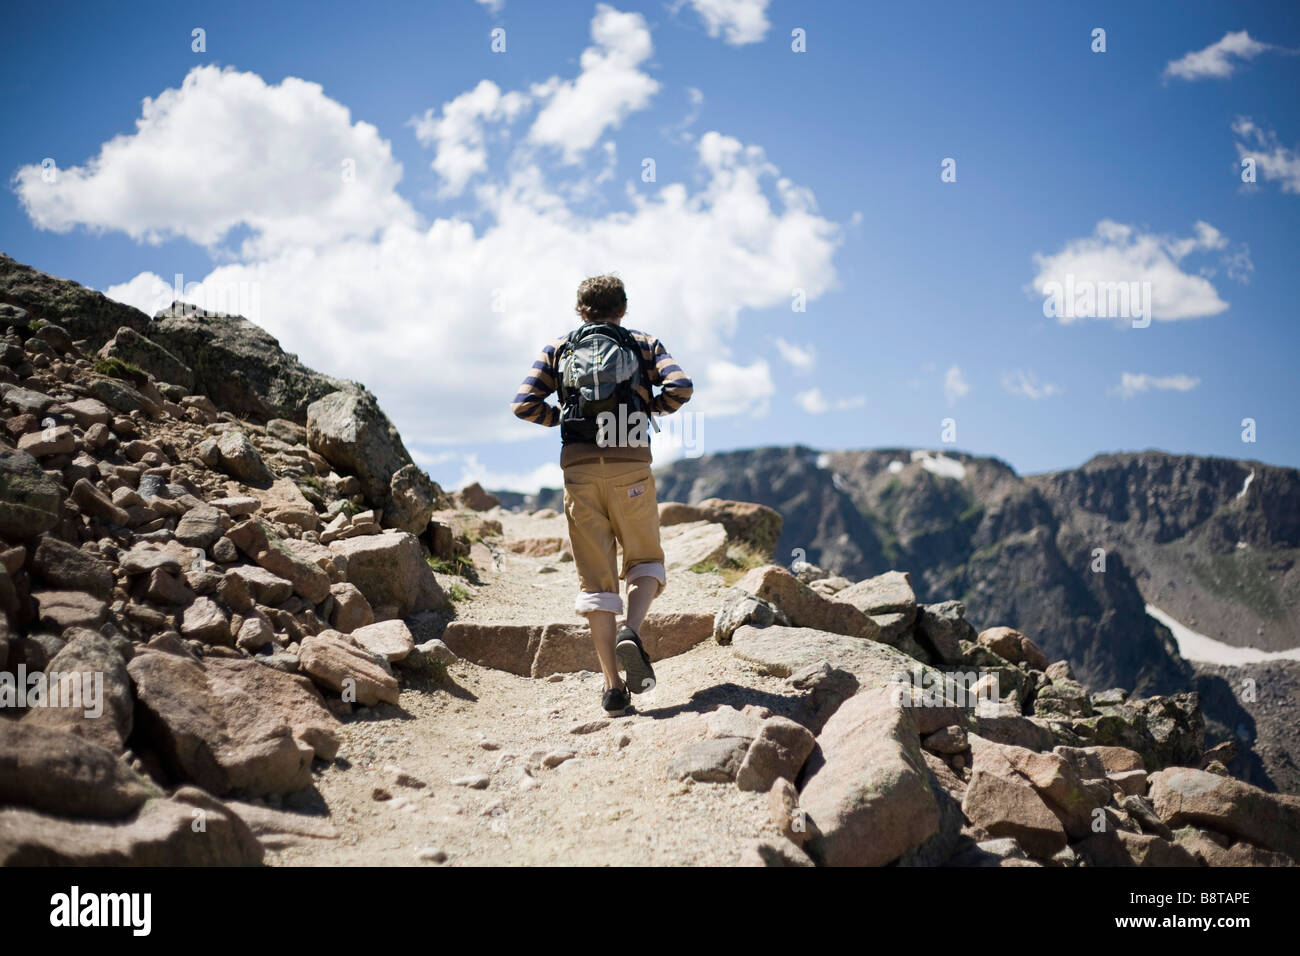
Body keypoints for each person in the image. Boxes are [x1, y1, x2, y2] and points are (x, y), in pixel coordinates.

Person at [511, 275, 693, 713]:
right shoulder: (643, 342)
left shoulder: (559, 347)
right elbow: (680, 387)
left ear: (580, 310)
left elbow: (523, 402)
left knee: (596, 583)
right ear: (623, 309)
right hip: (631, 463)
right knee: (645, 560)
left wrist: (565, 421)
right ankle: (632, 628)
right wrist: (644, 410)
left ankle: (613, 687)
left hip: (579, 469)